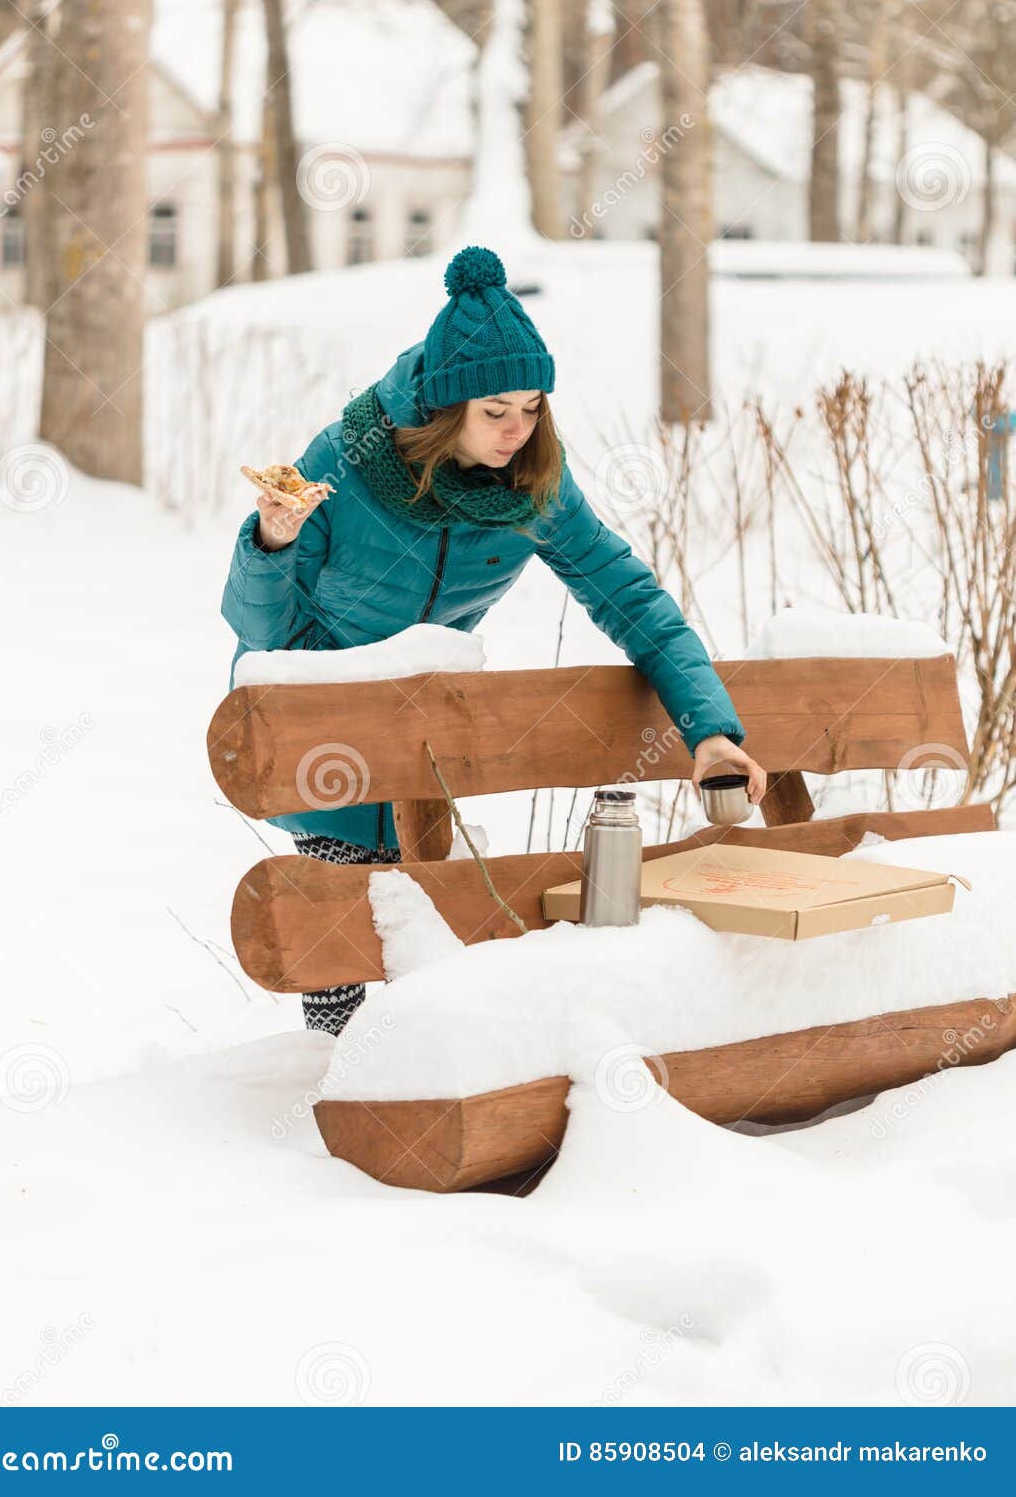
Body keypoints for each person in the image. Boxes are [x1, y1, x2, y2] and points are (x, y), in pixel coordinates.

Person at [221, 245, 766, 1035]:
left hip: (424, 735)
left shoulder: (532, 485)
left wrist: (710, 732)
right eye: (495, 412)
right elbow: (258, 633)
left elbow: (631, 600)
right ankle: (338, 1078)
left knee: (423, 925)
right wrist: (271, 543)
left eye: (533, 407)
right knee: (349, 923)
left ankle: (411, 1073)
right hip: (312, 719)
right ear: (447, 409)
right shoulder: (348, 458)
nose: (518, 429)